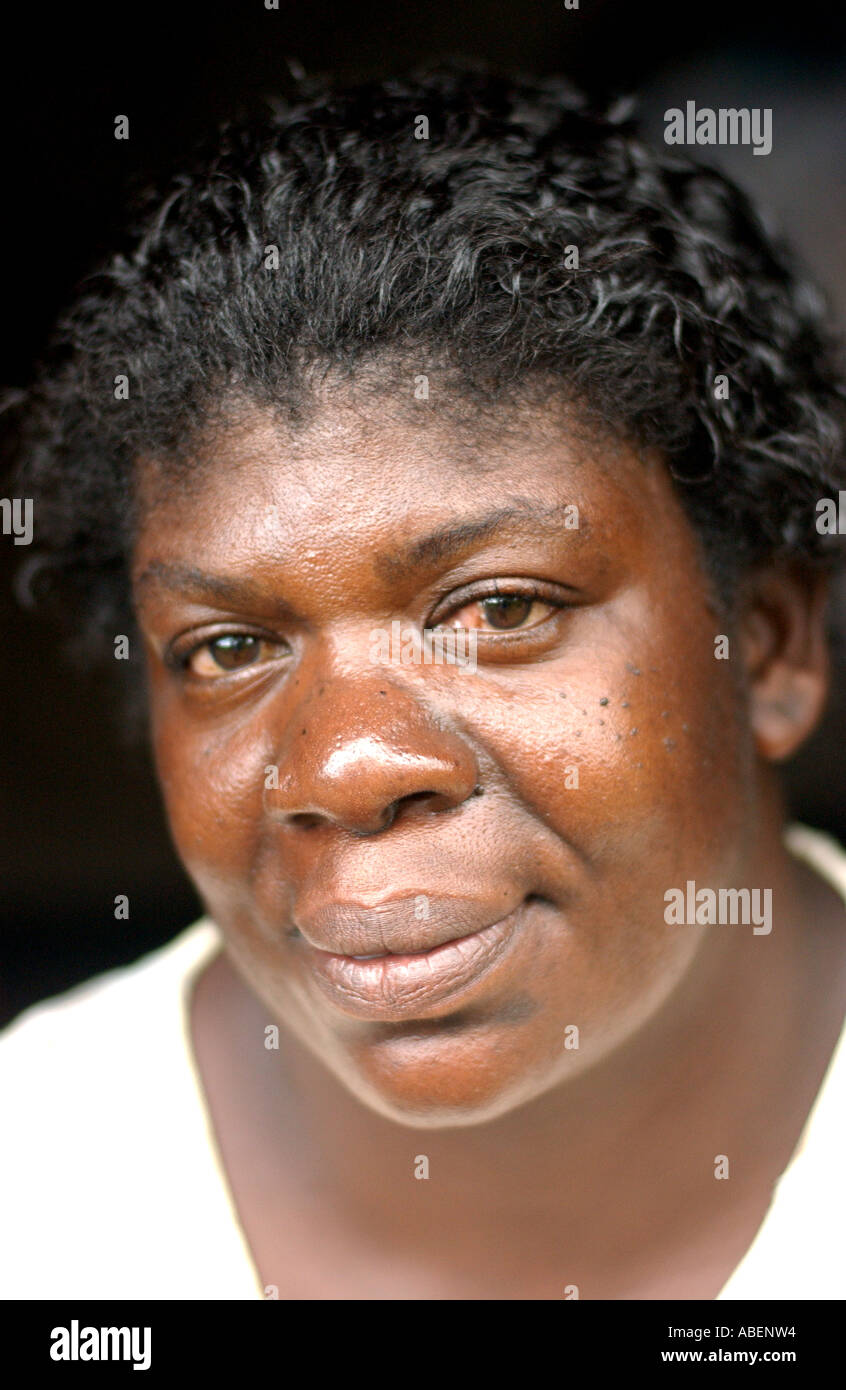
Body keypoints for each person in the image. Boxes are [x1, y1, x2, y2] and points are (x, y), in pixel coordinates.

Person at [2, 68, 845, 1300]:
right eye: (228, 647)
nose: (346, 768)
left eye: (500, 608)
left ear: (766, 647)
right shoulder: (37, 1190)